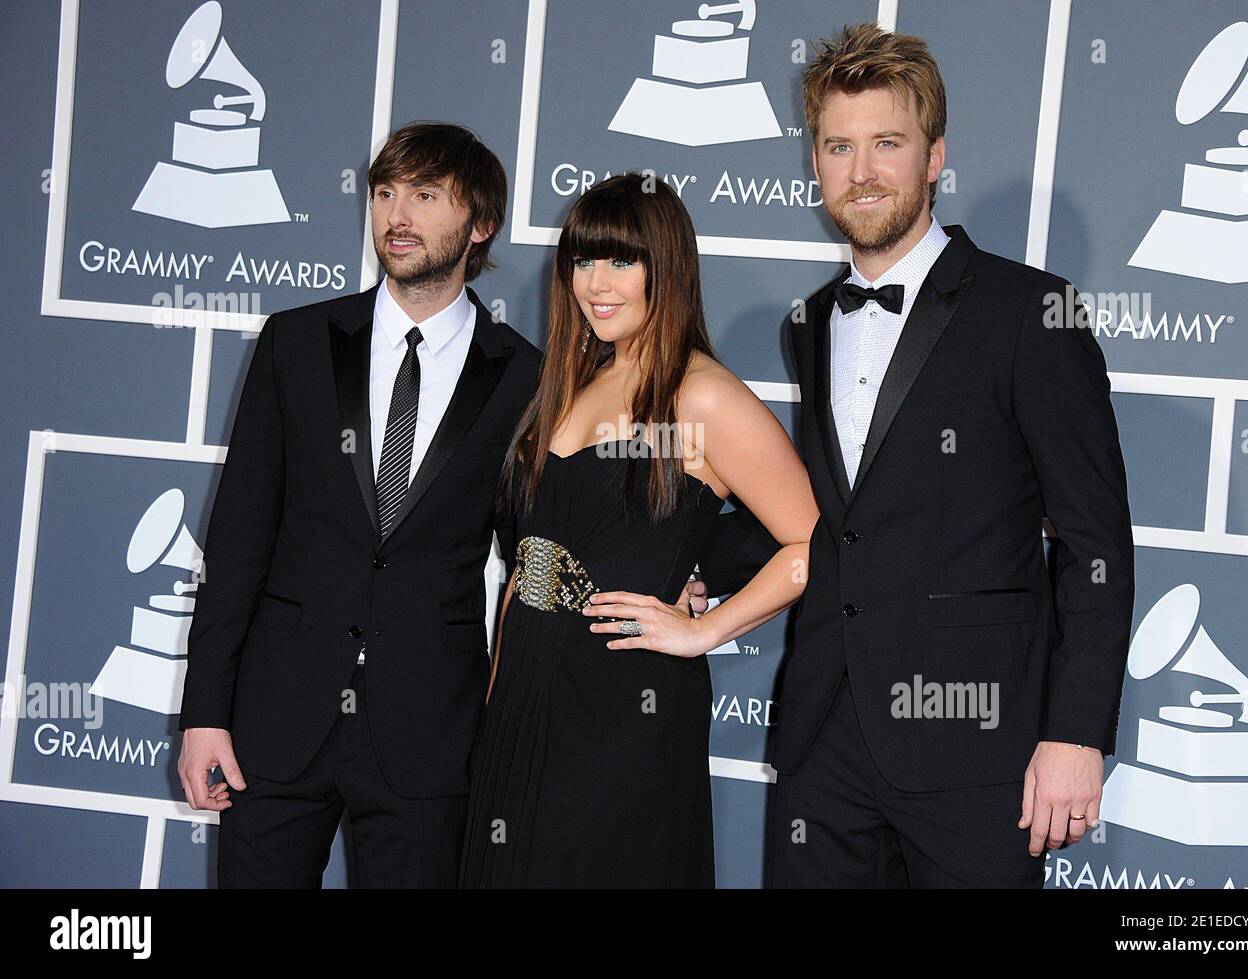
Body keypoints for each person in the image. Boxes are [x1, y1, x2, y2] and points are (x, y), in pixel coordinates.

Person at [698, 23, 1134, 888]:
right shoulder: (812, 325)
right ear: (815, 162)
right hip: (825, 733)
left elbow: (1095, 542)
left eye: (887, 144)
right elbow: (835, 517)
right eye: (839, 146)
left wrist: (1076, 732)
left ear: (935, 156)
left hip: (979, 750)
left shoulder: (1030, 313)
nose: (861, 172)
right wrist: (691, 562)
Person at [176, 122, 543, 887]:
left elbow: (531, 550)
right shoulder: (296, 342)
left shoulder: (524, 377)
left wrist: (661, 571)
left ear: (481, 224)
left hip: (430, 733)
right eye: (384, 193)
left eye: (425, 194)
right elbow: (237, 538)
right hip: (277, 722)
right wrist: (204, 712)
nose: (396, 215)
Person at [458, 172, 819, 888]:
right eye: (584, 259)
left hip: (624, 710)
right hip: (524, 697)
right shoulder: (567, 383)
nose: (597, 281)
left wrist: (704, 630)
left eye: (622, 259)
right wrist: (498, 699)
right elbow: (531, 558)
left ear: (667, 266)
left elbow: (814, 543)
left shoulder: (703, 393)